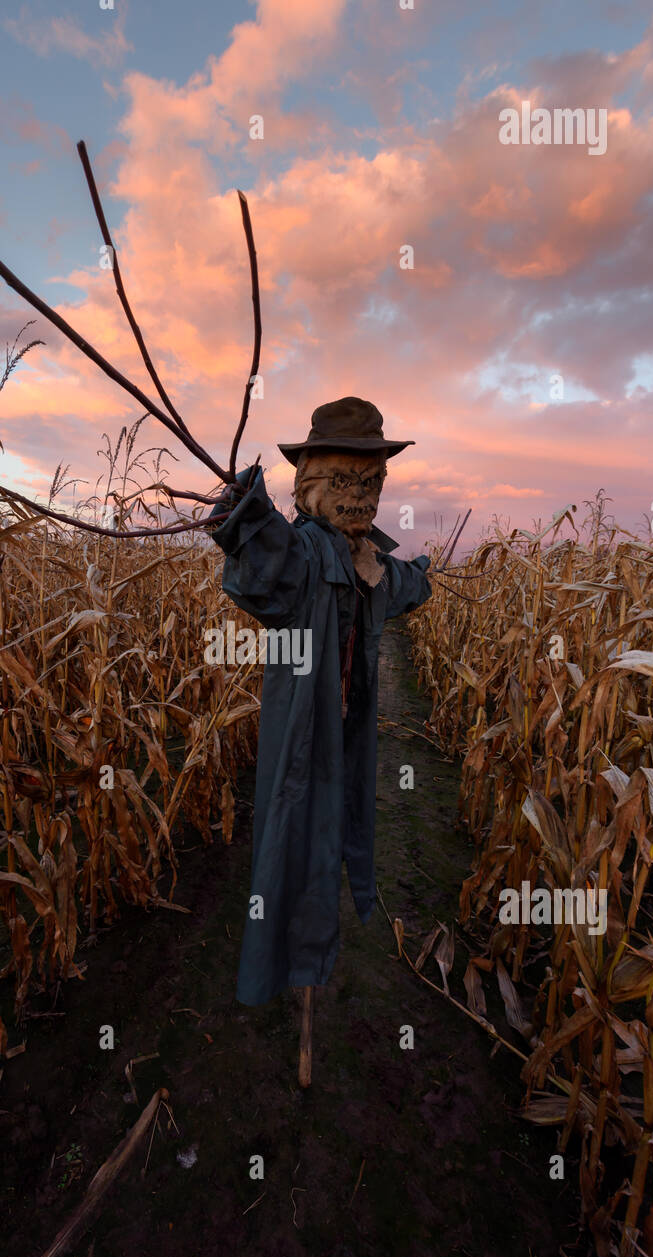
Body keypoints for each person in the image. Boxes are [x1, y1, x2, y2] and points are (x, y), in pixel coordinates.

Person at [209, 397, 432, 1013]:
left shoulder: (371, 561)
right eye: (342, 480)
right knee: (295, 839)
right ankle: (289, 969)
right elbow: (266, 566)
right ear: (309, 483)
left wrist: (421, 572)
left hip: (348, 734)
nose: (359, 493)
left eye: (370, 480)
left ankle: (310, 961)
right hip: (304, 734)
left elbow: (404, 583)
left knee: (333, 832)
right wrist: (244, 518)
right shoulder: (305, 552)